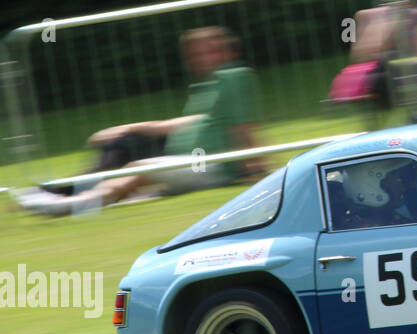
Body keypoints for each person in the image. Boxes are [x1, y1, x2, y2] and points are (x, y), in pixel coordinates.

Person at [14, 27, 262, 216]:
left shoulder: (234, 76)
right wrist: (130, 127)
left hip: (208, 165)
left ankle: (73, 203)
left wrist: (257, 169)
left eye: (210, 52)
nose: (200, 59)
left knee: (137, 167)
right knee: (130, 145)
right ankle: (68, 193)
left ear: (230, 52)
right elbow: (192, 122)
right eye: (195, 54)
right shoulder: (211, 85)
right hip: (189, 157)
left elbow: (243, 129)